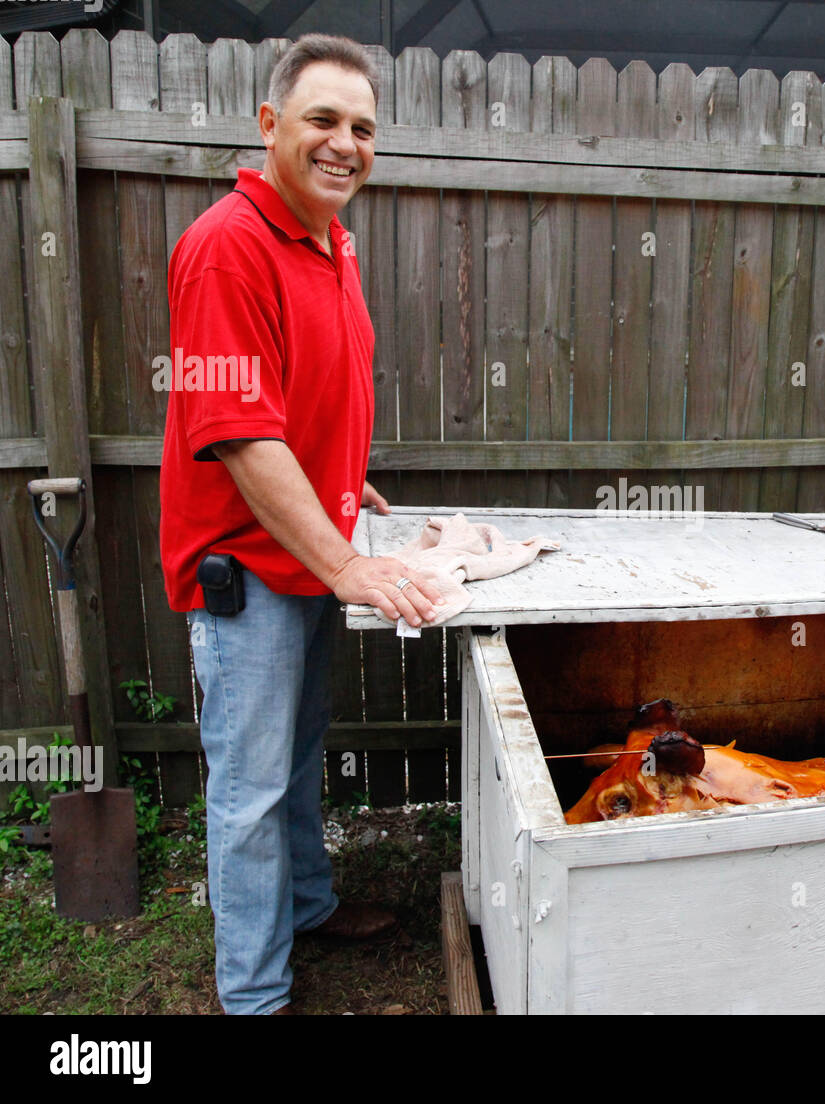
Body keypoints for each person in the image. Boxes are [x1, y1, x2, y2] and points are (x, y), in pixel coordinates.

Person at [159, 33, 443, 1015]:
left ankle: (309, 907)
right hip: (248, 573)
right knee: (249, 792)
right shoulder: (224, 248)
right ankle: (253, 994)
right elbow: (239, 438)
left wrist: (341, 482)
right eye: (323, 120)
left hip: (308, 554)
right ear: (271, 125)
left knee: (297, 755)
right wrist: (351, 569)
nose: (344, 143)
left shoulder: (329, 240)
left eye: (363, 128)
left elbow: (303, 396)